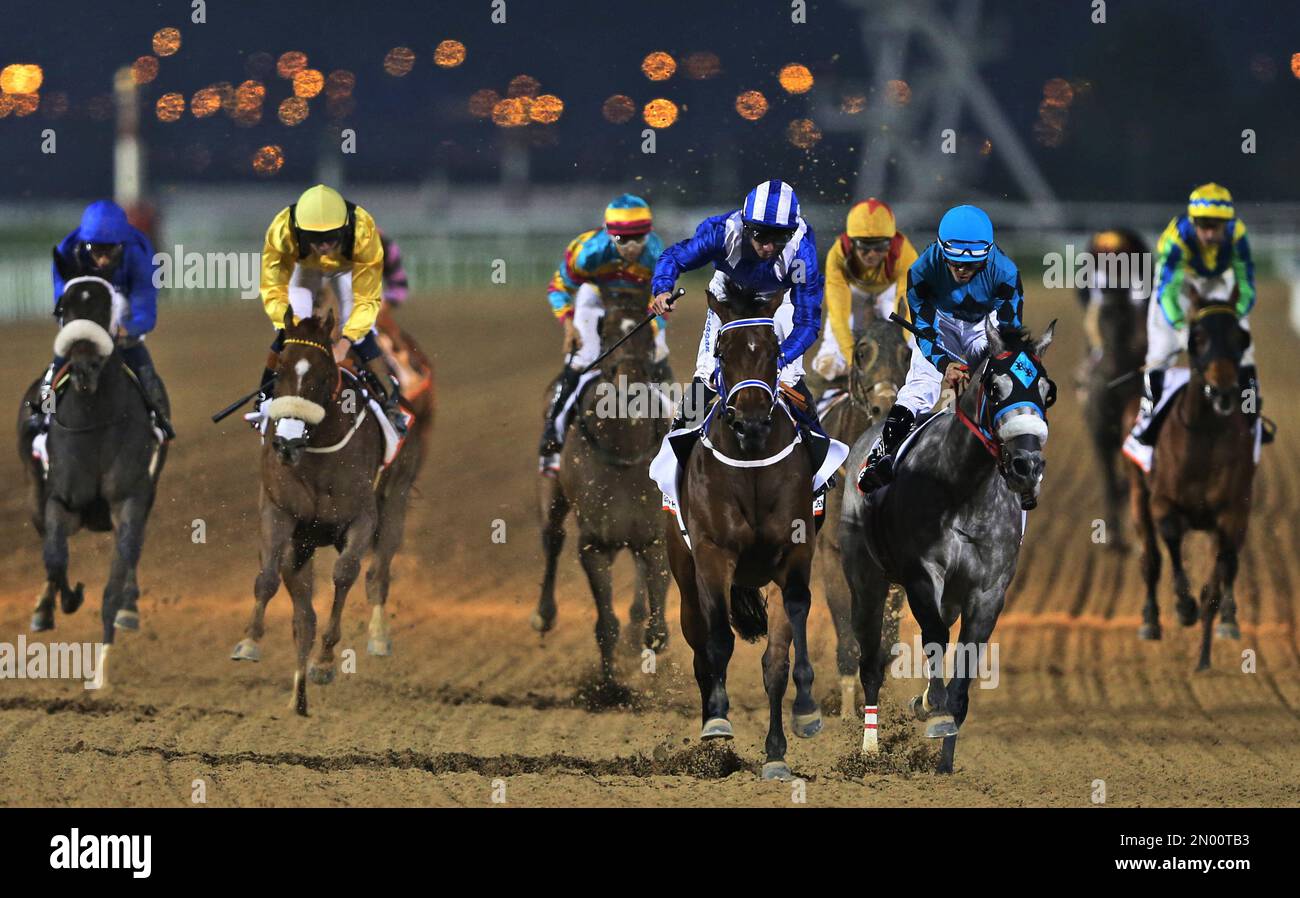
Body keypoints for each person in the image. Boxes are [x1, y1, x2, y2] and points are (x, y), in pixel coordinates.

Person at [857, 204, 1026, 490]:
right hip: (940, 323)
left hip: (982, 326)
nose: (961, 270)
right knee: (921, 385)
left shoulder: (1006, 273)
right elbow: (923, 329)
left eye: (971, 265)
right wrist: (944, 364)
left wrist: (986, 368)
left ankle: (1019, 457)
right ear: (941, 250)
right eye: (954, 262)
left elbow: (1007, 337)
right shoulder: (921, 270)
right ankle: (879, 455)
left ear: (986, 257)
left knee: (999, 383)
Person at [649, 179, 824, 430]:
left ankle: (820, 456)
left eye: (780, 238)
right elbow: (674, 257)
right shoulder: (723, 233)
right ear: (746, 226)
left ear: (792, 233)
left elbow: (807, 322)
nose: (768, 247)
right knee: (709, 372)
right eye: (761, 235)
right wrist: (663, 289)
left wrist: (781, 357)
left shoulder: (801, 252)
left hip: (778, 297)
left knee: (788, 377)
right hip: (729, 292)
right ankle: (676, 444)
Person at [256, 184, 406, 434]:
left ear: (345, 228)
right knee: (292, 322)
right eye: (316, 239)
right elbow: (273, 288)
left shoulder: (363, 230)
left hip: (348, 268)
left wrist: (344, 343)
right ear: (301, 232)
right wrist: (291, 329)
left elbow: (367, 299)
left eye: (331, 238)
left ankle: (390, 401)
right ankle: (265, 396)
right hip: (304, 267)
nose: (324, 245)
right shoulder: (282, 229)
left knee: (357, 323)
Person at [1130, 182, 1271, 446]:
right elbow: (1168, 293)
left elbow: (1247, 285)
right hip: (1180, 283)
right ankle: (1147, 415)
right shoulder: (1177, 238)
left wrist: (1231, 317)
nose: (1207, 233)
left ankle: (1253, 415)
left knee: (1243, 347)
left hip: (1218, 278)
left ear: (1226, 225)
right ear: (1193, 221)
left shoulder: (1238, 236)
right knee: (1161, 351)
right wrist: (1182, 329)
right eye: (1202, 224)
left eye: (1213, 226)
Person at [538, 194, 667, 474]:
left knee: (658, 358)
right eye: (622, 240)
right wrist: (569, 325)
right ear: (610, 236)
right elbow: (559, 288)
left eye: (638, 239)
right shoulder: (587, 252)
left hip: (638, 304)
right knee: (584, 358)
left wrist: (654, 333)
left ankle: (674, 438)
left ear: (649, 234)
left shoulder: (657, 254)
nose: (631, 248)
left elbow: (661, 301)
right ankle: (553, 435)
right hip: (596, 301)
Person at [31, 199, 175, 440]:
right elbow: (63, 302)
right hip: (84, 326)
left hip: (122, 330)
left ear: (122, 245)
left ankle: (159, 420)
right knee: (54, 370)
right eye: (97, 250)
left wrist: (127, 329)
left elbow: (145, 310)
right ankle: (43, 418)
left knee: (146, 372)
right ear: (85, 245)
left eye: (111, 251)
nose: (104, 259)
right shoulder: (68, 253)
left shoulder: (138, 256)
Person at [810, 197, 918, 403]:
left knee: (912, 351)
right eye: (864, 247)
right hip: (853, 296)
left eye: (880, 247)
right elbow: (839, 315)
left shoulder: (905, 252)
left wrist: (901, 349)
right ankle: (808, 417)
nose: (872, 254)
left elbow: (909, 307)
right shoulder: (838, 254)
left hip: (889, 294)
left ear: (891, 242)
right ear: (851, 243)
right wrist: (852, 360)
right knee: (827, 365)